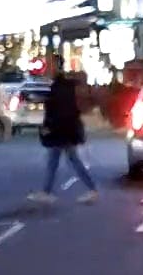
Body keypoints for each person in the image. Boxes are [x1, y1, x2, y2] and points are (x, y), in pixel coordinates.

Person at [28, 58, 98, 204]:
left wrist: (49, 126)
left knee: (66, 160)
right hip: (66, 130)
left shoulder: (59, 87)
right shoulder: (61, 85)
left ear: (55, 68)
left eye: (50, 66)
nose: (47, 70)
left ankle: (91, 189)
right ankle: (48, 191)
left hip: (63, 130)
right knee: (60, 160)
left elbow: (58, 110)